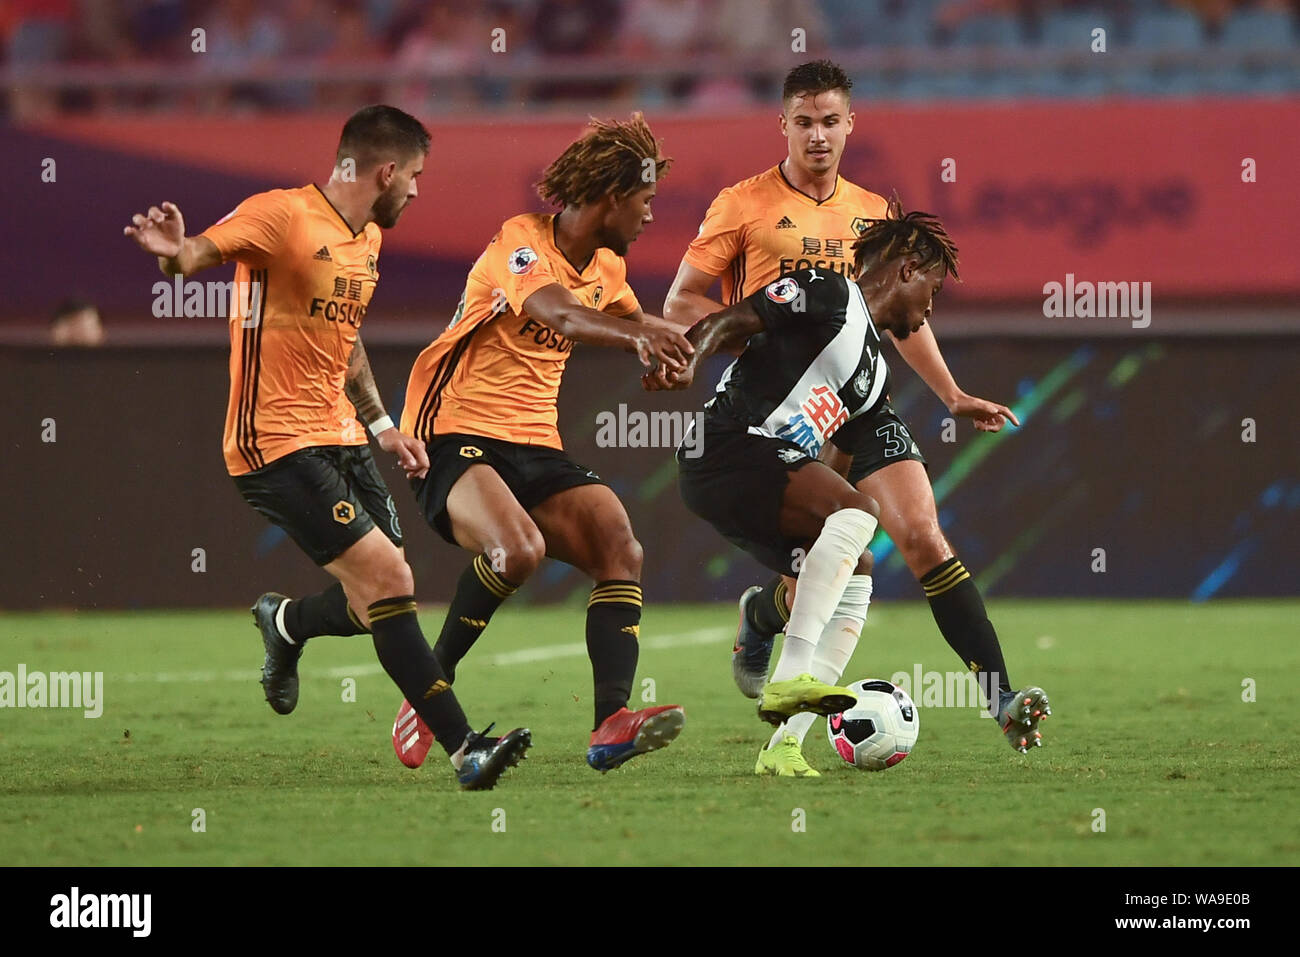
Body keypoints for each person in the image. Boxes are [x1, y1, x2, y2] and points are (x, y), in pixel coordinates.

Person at [122, 104, 530, 791]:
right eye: (417, 177)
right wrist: (175, 251)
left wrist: (381, 426)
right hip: (272, 442)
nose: (418, 192)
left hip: (342, 436)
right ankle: (466, 750)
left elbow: (347, 342)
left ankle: (284, 622)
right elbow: (197, 254)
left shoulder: (365, 239)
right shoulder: (281, 215)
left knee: (380, 594)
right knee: (392, 582)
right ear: (387, 169)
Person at [663, 60, 1037, 764]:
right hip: (780, 393)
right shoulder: (741, 204)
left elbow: (904, 310)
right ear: (783, 125)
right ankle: (764, 620)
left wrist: (951, 393)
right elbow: (683, 302)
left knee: (919, 536)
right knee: (836, 549)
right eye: (803, 122)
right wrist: (747, 336)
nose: (817, 136)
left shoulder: (875, 214)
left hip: (856, 395)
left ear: (849, 125)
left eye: (830, 121)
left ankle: (1001, 696)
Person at [390, 113, 694, 774]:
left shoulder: (608, 266)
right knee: (518, 549)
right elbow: (557, 311)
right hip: (452, 434)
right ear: (613, 197)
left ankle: (610, 723)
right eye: (644, 201)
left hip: (534, 444)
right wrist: (640, 337)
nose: (649, 215)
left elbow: (636, 321)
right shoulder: (521, 239)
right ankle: (428, 689)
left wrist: (672, 352)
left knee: (621, 546)